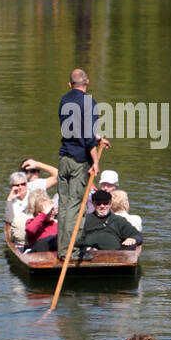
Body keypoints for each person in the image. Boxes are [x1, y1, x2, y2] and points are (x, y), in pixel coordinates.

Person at [55, 68, 110, 257]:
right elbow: (86, 137)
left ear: (70, 84)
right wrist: (95, 161)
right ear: (87, 82)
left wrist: (97, 137)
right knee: (76, 206)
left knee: (63, 205)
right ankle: (71, 251)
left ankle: (62, 249)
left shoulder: (64, 100)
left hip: (64, 160)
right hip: (79, 162)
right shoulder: (89, 103)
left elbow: (75, 128)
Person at [4, 170, 31, 245]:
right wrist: (9, 199)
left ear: (27, 185)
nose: (20, 187)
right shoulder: (11, 200)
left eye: (23, 184)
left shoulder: (33, 196)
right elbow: (8, 221)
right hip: (18, 233)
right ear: (12, 187)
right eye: (16, 185)